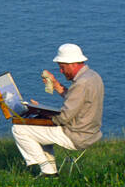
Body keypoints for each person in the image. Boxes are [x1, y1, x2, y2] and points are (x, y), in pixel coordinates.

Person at [11, 43, 103, 177]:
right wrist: (56, 85)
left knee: (18, 129)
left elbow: (64, 118)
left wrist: (42, 112)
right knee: (40, 131)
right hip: (90, 132)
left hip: (77, 135)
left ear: (72, 64)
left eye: (62, 67)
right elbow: (76, 100)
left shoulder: (81, 84)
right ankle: (50, 170)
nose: (61, 71)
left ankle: (48, 172)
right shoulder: (92, 77)